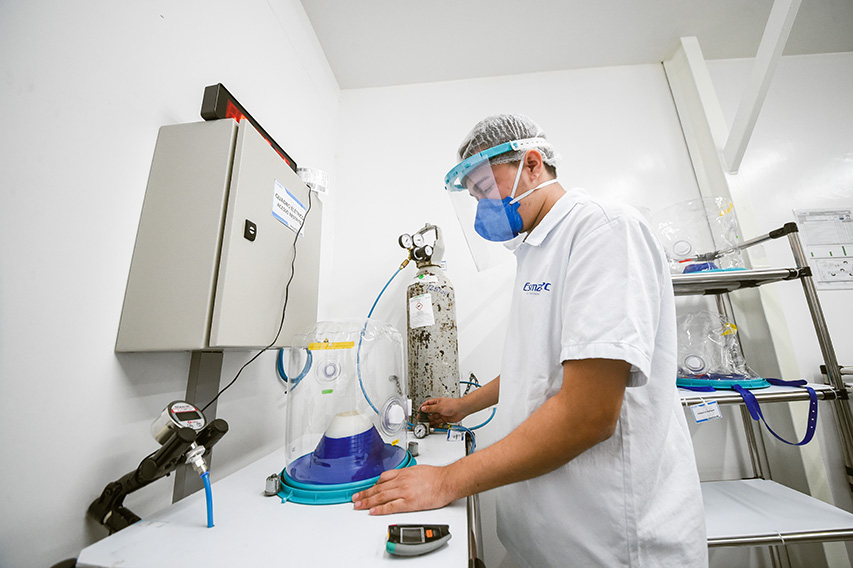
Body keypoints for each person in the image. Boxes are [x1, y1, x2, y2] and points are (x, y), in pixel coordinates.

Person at [352, 114, 707, 567]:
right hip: (548, 537)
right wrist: (466, 406)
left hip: (612, 542)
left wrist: (445, 481)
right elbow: (543, 364)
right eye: (475, 195)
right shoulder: (536, 252)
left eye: (484, 188)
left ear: (533, 164)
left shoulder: (604, 231)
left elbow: (588, 414)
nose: (482, 205)